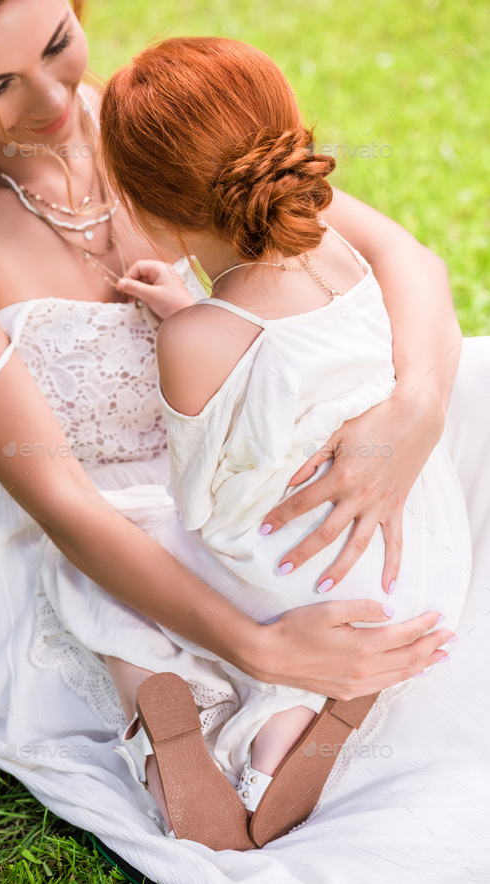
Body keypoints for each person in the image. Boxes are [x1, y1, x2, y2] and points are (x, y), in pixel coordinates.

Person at [0, 1, 487, 881]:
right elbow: (58, 503)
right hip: (78, 532)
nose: (55, 99)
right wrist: (265, 646)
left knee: (476, 373)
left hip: (241, 466)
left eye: (60, 44)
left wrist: (412, 415)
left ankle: (288, 681)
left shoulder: (155, 128)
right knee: (131, 592)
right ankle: (221, 691)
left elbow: (408, 262)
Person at [87, 35, 471, 850]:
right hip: (410, 558)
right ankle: (286, 731)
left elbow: (199, 501)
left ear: (148, 206)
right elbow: (291, 340)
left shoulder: (197, 342)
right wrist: (190, 310)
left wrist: (187, 325)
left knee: (96, 564)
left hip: (296, 573)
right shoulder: (332, 242)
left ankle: (172, 698)